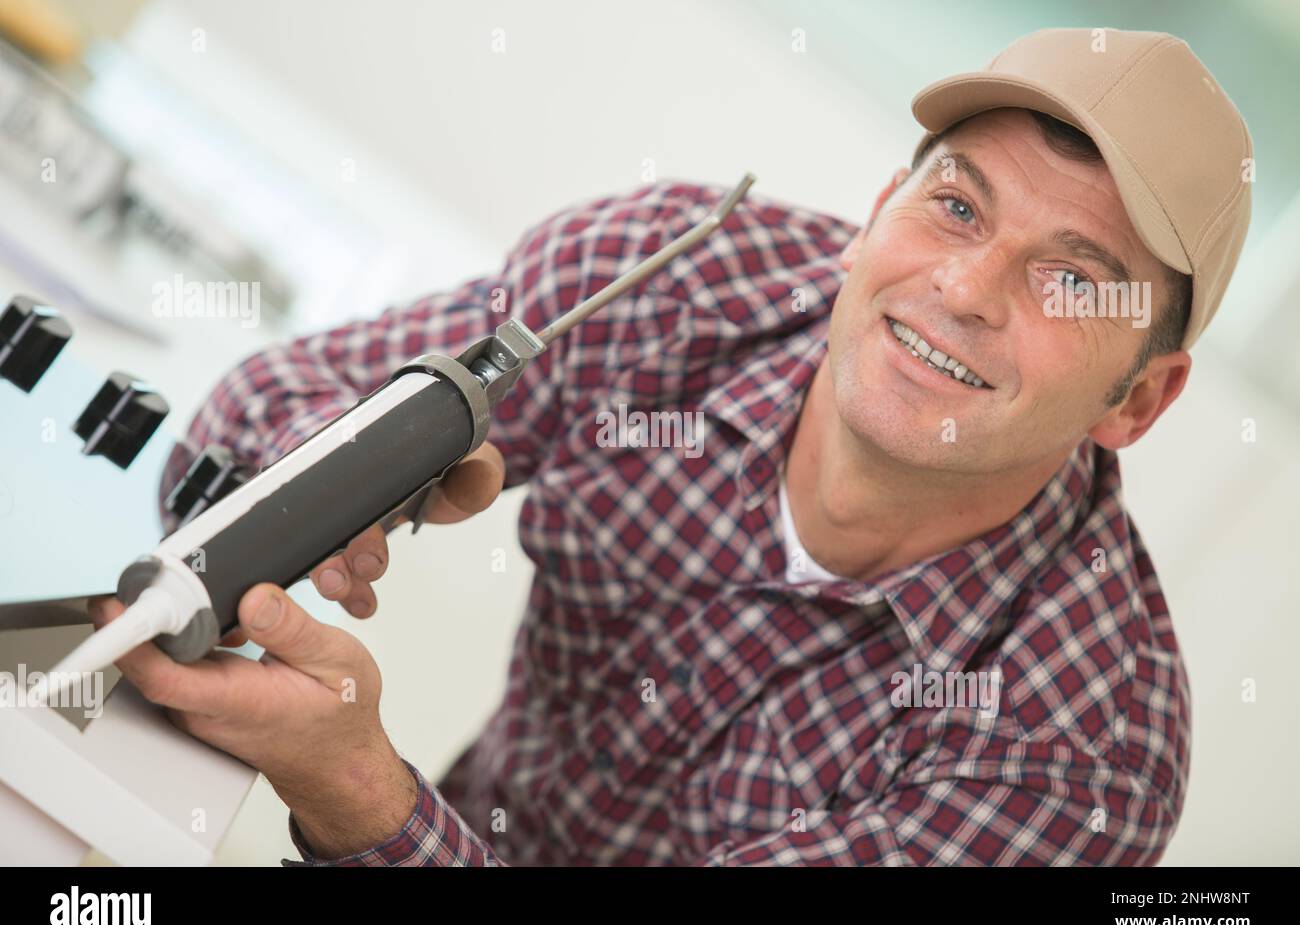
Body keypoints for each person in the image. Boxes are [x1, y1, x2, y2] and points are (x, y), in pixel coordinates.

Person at [91, 27, 1252, 865]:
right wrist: (323, 486)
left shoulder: (1082, 753)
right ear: (877, 208)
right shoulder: (679, 276)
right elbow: (269, 397)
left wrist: (356, 794)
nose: (963, 287)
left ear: (1136, 402)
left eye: (1067, 279)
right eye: (956, 205)